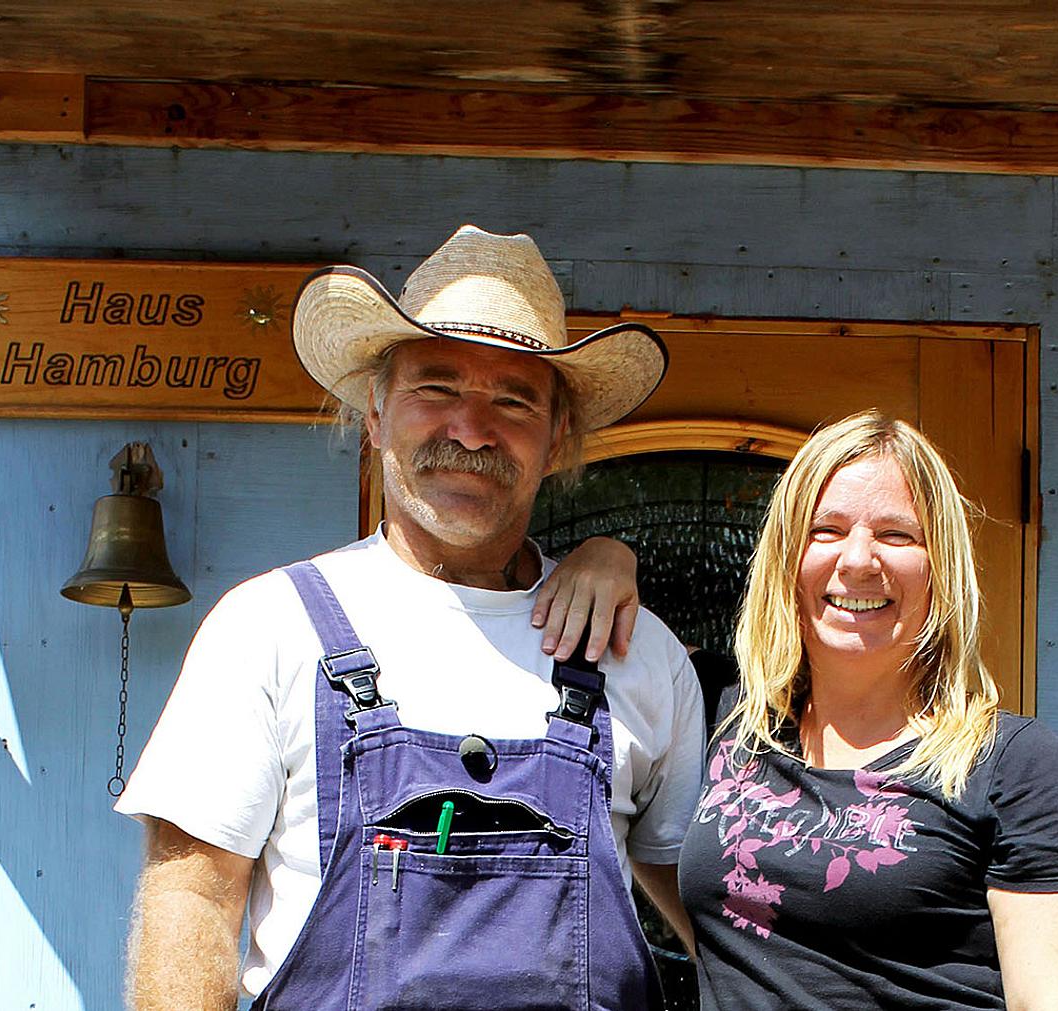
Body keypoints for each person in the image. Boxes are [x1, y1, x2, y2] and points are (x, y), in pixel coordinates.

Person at [114, 224, 707, 1011]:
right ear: (376, 411)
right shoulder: (270, 627)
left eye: (513, 399)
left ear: (557, 436)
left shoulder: (636, 651)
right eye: (437, 386)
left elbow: (726, 922)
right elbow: (191, 905)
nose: (471, 427)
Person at [550, 409, 1058, 1009]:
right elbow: (628, 642)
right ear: (786, 561)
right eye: (827, 530)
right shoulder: (727, 718)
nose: (858, 560)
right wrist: (606, 555)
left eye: (898, 534)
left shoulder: (1017, 769)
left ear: (941, 569)